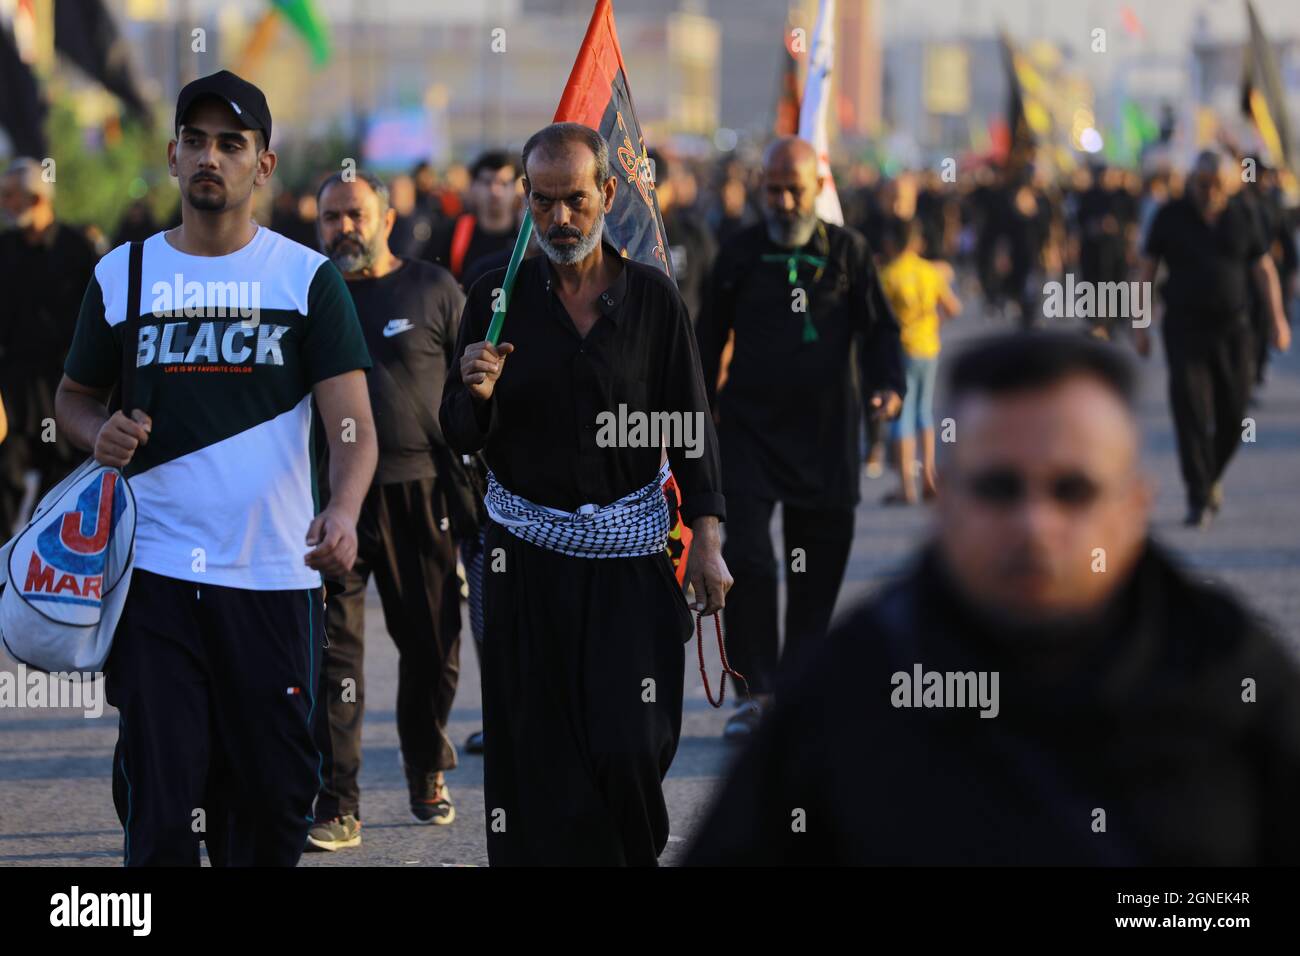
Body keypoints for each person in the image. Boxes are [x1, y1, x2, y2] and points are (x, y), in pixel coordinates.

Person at [687, 332, 1300, 865]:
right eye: (999, 488)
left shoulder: (1231, 680)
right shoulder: (848, 694)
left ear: (1136, 505)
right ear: (944, 495)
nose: (1034, 525)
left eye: (1073, 490)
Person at [54, 70, 377, 866]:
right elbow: (71, 398)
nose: (211, 157)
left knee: (271, 804)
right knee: (163, 808)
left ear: (263, 166)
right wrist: (99, 433)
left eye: (231, 144)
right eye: (195, 141)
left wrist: (342, 510)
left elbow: (353, 426)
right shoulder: (122, 274)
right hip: (155, 578)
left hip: (273, 579)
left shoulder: (306, 280)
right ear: (171, 156)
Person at [440, 121, 730, 866]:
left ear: (607, 193)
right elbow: (461, 436)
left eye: (574, 199)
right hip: (524, 566)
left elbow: (691, 427)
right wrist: (474, 393)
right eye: (542, 203)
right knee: (534, 759)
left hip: (631, 566)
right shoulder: (495, 299)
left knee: (631, 743)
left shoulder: (654, 301)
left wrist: (709, 540)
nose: (559, 219)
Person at [695, 136, 903, 739]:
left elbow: (882, 332)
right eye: (773, 190)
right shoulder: (736, 255)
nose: (783, 201)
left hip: (828, 433)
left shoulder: (849, 253)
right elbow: (706, 342)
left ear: (819, 188)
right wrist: (692, 419)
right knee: (752, 557)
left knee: (817, 569)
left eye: (795, 190)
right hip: (749, 433)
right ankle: (758, 691)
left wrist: (889, 387)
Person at [306, 170, 466, 851]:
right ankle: (338, 802)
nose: (344, 227)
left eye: (355, 214)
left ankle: (426, 763)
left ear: (387, 219)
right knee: (333, 657)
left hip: (420, 494)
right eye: (331, 217)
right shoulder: (307, 297)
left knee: (431, 650)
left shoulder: (434, 289)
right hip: (334, 498)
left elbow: (472, 392)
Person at [1135, 149, 1291, 528]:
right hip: (1184, 329)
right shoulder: (1170, 215)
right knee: (1190, 410)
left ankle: (1212, 475)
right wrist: (1139, 324)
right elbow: (1146, 271)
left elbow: (1264, 269)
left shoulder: (1244, 214)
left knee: (1235, 414)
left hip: (1235, 331)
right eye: (1203, 184)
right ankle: (1198, 494)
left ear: (1231, 184)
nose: (1209, 191)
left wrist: (1278, 320)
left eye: (1217, 185)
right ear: (1192, 181)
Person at [0, 158, 99, 535]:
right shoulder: (4, 248)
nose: (5, 204)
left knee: (62, 487)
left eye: (10, 195)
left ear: (37, 197)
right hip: (13, 392)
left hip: (65, 391)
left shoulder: (79, 251)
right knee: (5, 473)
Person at [877, 216, 961, 505]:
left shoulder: (888, 275)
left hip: (902, 350)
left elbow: (877, 317)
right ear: (916, 242)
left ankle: (906, 487)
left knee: (902, 415)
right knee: (925, 412)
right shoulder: (930, 271)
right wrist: (931, 319)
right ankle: (928, 478)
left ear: (889, 243)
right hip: (929, 348)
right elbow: (953, 307)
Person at [422, 150, 520, 286]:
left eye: (504, 183)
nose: (495, 191)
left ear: (516, 188)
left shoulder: (527, 235)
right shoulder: (452, 234)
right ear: (472, 186)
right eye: (487, 182)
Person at [647, 149, 716, 324]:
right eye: (642, 189)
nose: (649, 197)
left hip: (688, 337)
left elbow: (715, 288)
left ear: (669, 187)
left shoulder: (691, 233)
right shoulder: (618, 238)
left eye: (656, 188)